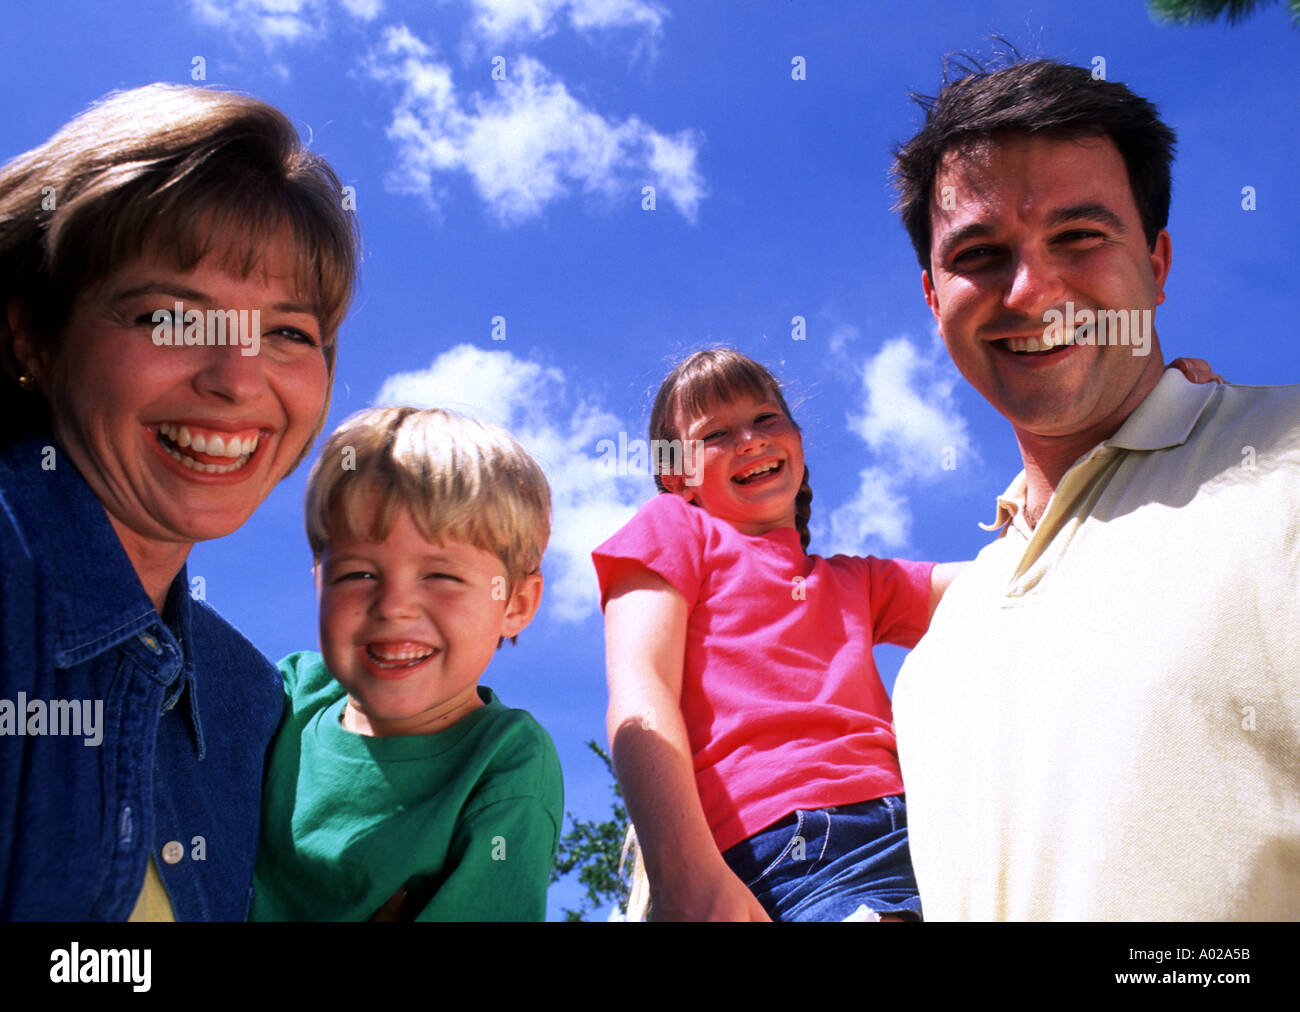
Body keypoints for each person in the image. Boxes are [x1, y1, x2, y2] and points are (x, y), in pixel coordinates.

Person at [888, 57, 1300, 919]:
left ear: (1156, 263)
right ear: (933, 299)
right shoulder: (930, 667)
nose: (1033, 291)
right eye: (980, 254)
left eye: (1079, 236)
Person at [0, 83, 360, 920]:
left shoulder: (245, 698)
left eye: (288, 333)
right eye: (170, 318)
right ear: (36, 339)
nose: (237, 382)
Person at [594, 348, 967, 921]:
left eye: (766, 418)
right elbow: (641, 689)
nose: (749, 439)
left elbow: (1005, 583)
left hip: (924, 834)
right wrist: (682, 872)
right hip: (789, 846)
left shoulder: (855, 581)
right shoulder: (675, 528)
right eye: (716, 433)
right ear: (678, 477)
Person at [250, 407, 564, 921]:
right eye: (356, 574)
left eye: (441, 575)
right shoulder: (286, 696)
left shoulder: (504, 762)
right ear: (318, 582)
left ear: (516, 605)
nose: (394, 605)